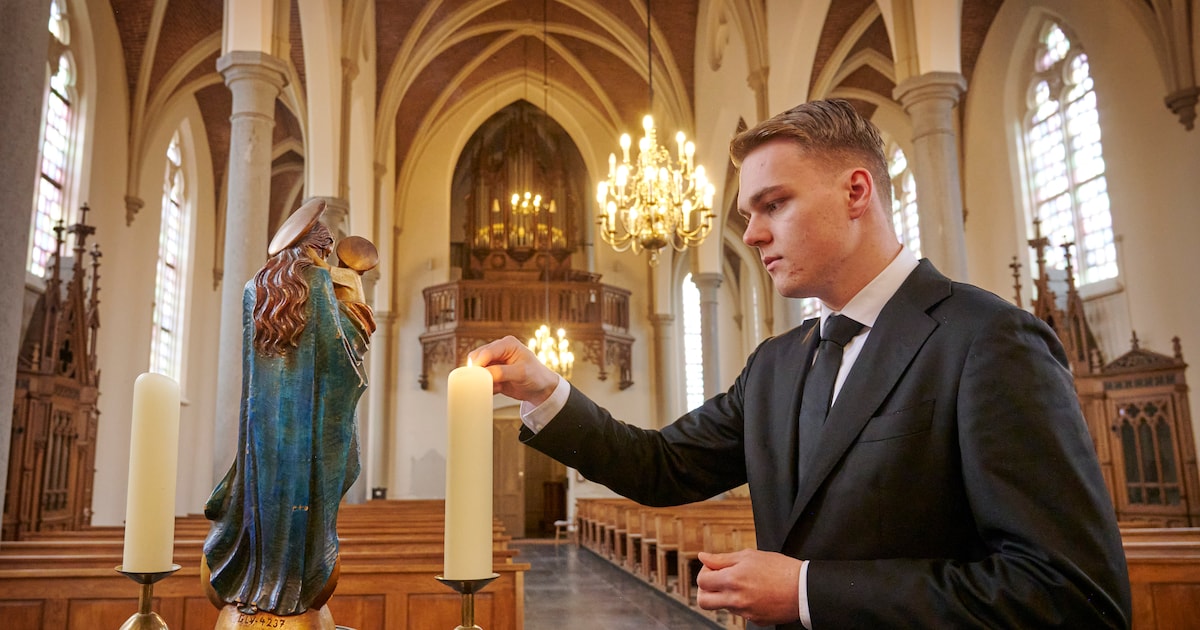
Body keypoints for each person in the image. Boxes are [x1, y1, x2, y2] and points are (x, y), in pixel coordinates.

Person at [469, 99, 1131, 629]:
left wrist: (811, 591)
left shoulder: (988, 341)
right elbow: (658, 465)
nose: (753, 233)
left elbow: (1070, 596)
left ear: (856, 192)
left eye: (773, 204)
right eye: (747, 213)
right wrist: (546, 390)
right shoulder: (778, 364)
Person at [203, 199, 374, 617]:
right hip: (308, 427)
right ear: (313, 246)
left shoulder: (254, 289)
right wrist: (356, 305)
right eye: (324, 244)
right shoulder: (317, 283)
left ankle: (251, 583)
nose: (328, 249)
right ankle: (290, 587)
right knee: (305, 500)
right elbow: (344, 347)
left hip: (262, 429)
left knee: (259, 499)